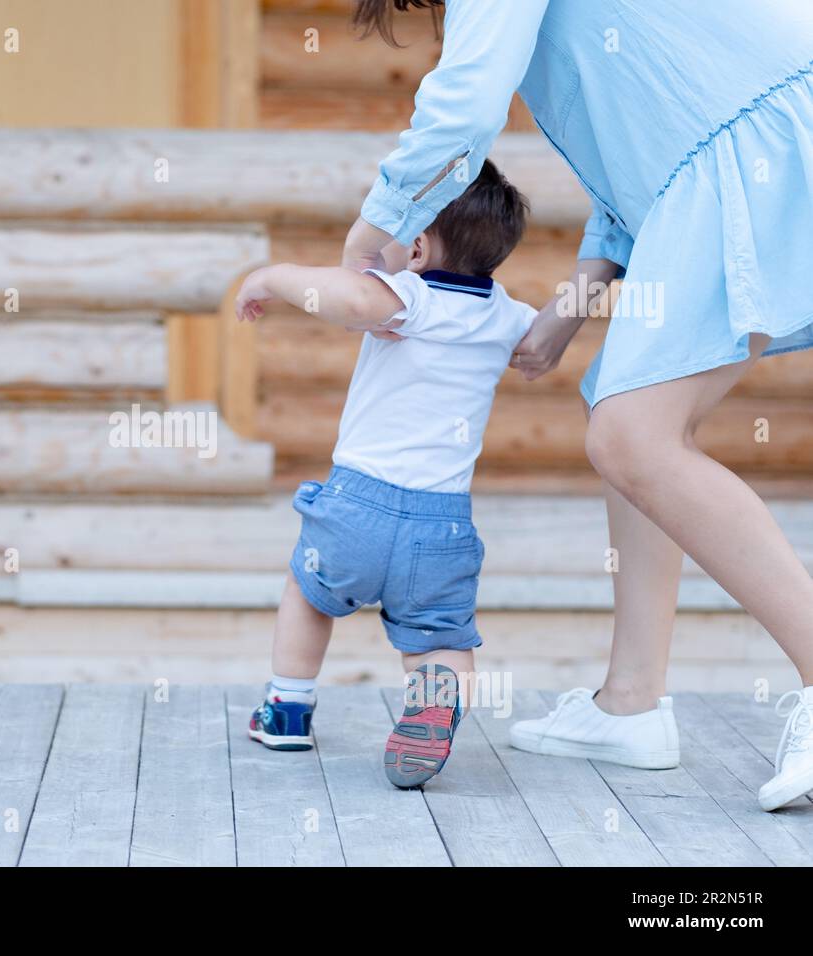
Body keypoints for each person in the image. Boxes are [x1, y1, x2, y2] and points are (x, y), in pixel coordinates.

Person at [343, 0, 813, 810]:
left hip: (764, 132)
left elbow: (468, 101)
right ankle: (630, 703)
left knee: (634, 435)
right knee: (626, 414)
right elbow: (646, 146)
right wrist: (576, 300)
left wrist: (373, 233)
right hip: (726, 150)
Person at [234, 161, 534, 788]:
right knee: (437, 636)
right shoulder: (504, 314)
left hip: (357, 509)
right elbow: (538, 347)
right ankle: (432, 700)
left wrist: (270, 276)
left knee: (309, 592)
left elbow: (349, 298)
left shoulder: (408, 296)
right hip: (442, 527)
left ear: (417, 248)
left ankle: (287, 709)